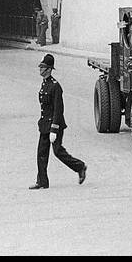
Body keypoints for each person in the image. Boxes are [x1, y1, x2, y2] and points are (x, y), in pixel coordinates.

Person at [29, 53, 87, 189]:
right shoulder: (44, 84)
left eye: (42, 67)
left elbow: (58, 110)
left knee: (57, 151)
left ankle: (80, 167)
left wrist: (54, 130)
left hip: (55, 125)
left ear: (48, 69)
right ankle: (42, 181)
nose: (40, 69)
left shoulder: (55, 86)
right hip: (44, 124)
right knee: (41, 153)